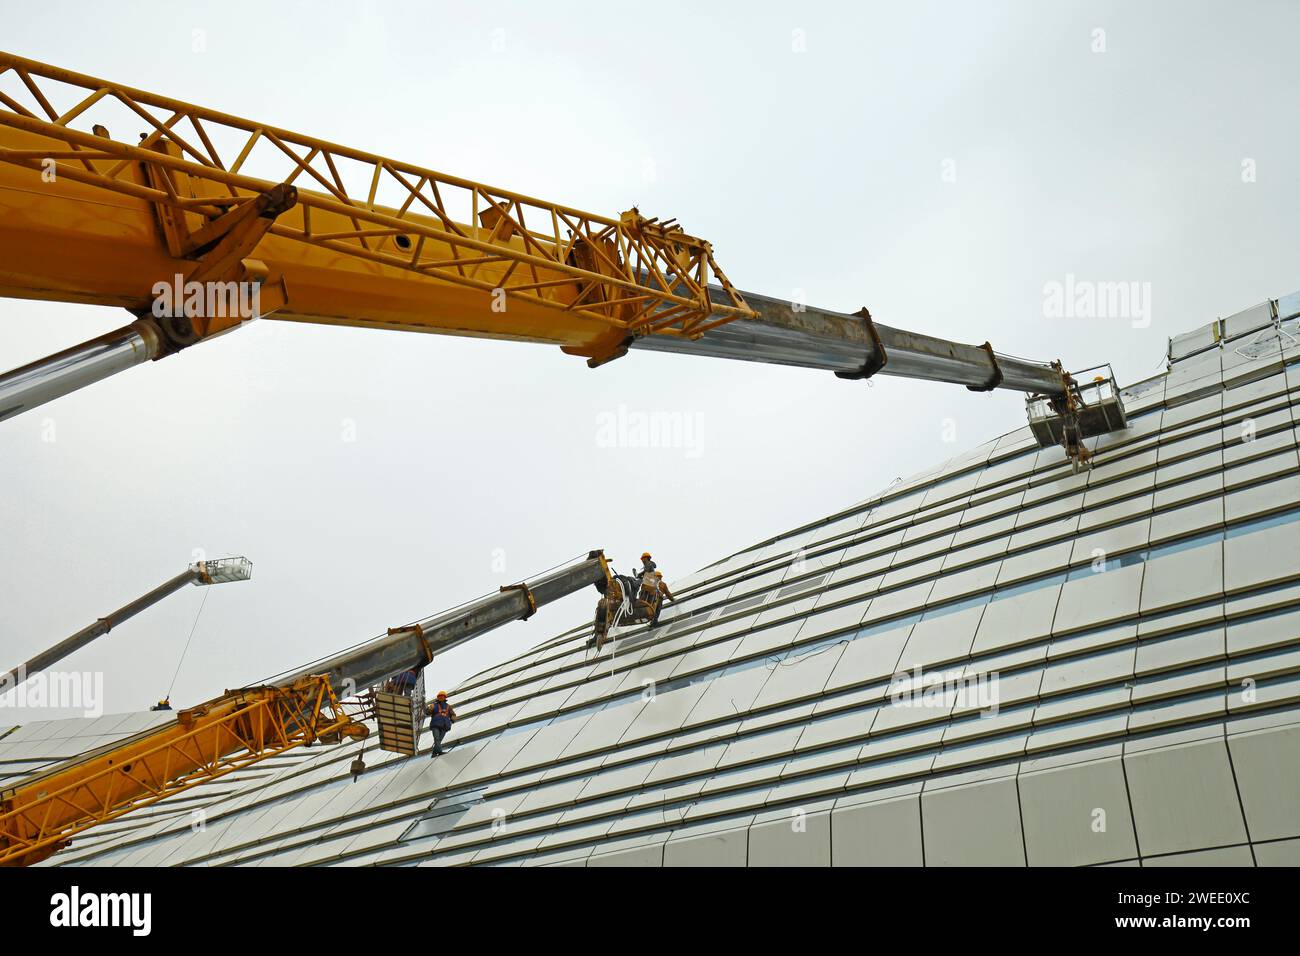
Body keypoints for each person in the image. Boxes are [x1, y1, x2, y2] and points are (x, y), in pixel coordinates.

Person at [425, 691, 457, 757]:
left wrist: (452, 719)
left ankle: (434, 753)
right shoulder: (434, 705)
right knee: (437, 739)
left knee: (439, 740)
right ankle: (439, 752)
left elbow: (453, 715)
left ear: (445, 697)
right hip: (436, 725)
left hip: (444, 726)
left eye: (442, 696)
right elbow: (428, 712)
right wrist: (428, 709)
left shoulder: (448, 706)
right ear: (438, 697)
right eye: (440, 696)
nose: (441, 697)